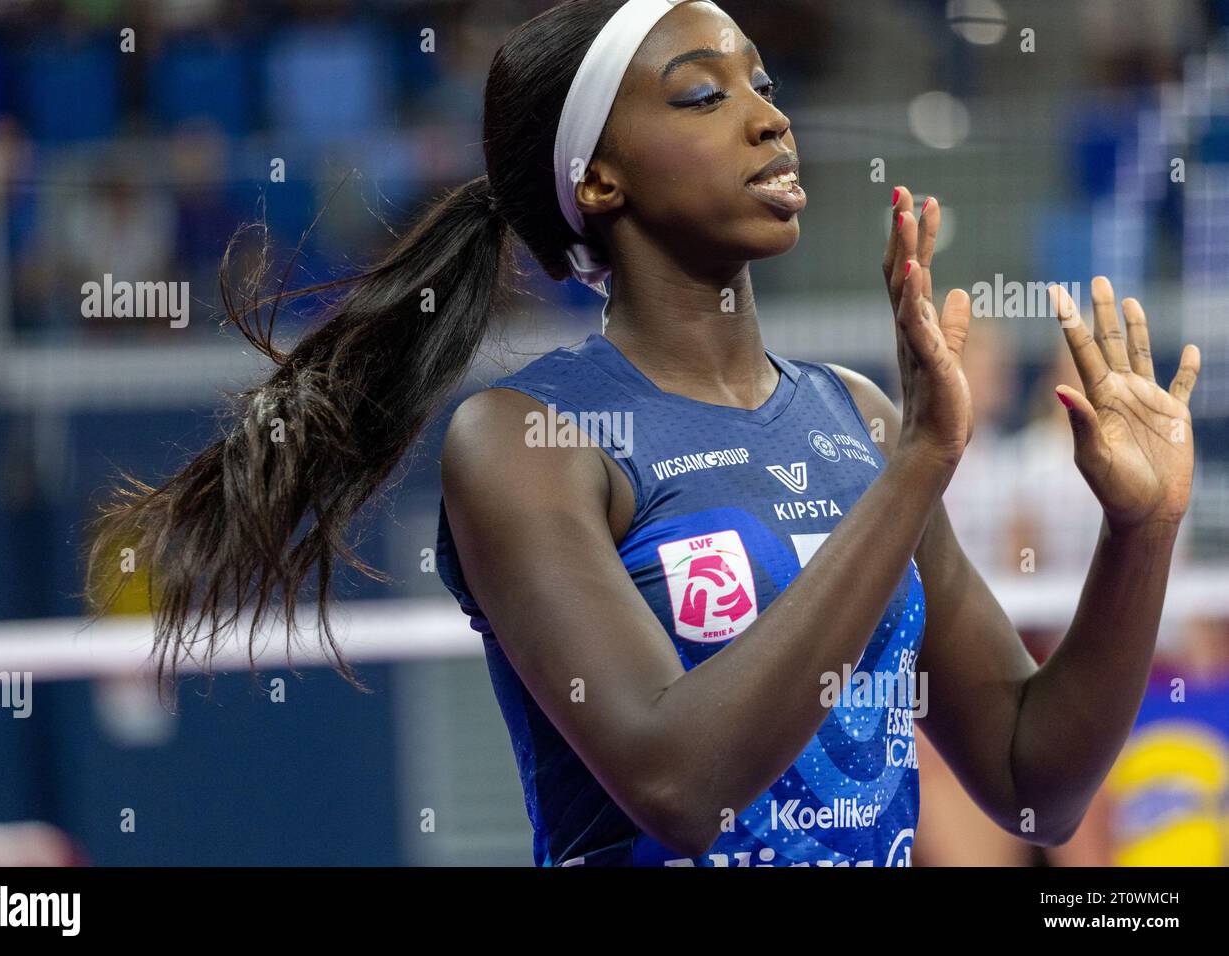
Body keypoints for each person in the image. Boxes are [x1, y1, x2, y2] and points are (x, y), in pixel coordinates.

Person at [85, 0, 1202, 867]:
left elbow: (1029, 781)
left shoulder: (855, 417)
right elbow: (679, 782)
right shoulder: (528, 439)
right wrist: (917, 466)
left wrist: (1139, 532)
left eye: (762, 84)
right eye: (699, 96)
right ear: (599, 177)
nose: (768, 115)